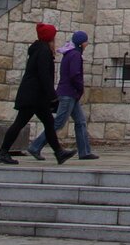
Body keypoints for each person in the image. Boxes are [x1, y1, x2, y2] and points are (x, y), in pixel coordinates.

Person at [0, 21, 71, 165]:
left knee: (49, 123)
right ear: (50, 38)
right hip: (33, 96)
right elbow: (44, 75)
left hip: (36, 96)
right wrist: (53, 97)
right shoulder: (44, 51)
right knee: (20, 123)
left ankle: (59, 152)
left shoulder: (39, 49)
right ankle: (3, 152)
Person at [29, 29, 96, 161]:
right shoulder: (75, 55)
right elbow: (74, 75)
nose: (87, 44)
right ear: (81, 43)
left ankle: (85, 152)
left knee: (81, 121)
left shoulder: (69, 54)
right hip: (69, 94)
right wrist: (80, 88)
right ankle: (35, 146)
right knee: (58, 123)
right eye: (86, 42)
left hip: (70, 94)